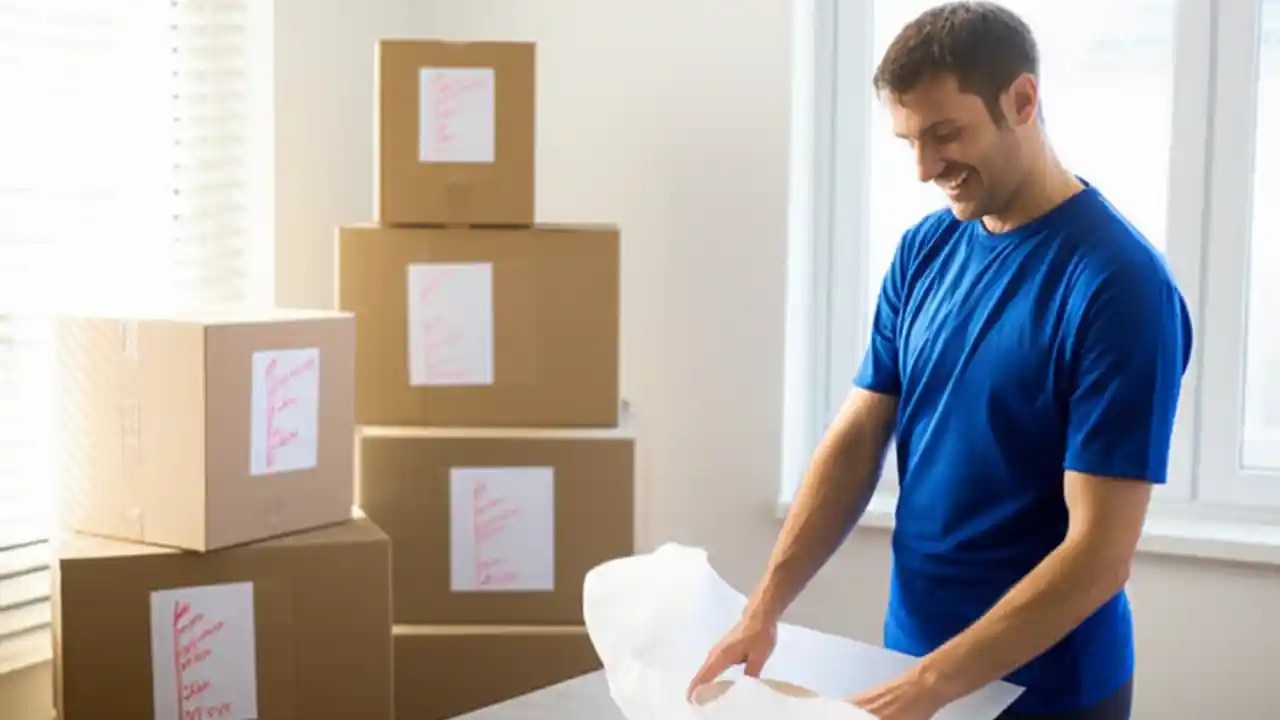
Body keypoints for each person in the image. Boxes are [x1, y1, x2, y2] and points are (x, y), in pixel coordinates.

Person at [685, 2, 1193, 719]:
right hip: (915, 663)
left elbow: (1099, 557)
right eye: (910, 141)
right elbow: (859, 438)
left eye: (946, 134)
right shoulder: (926, 250)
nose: (925, 168)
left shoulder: (1119, 286)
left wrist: (928, 685)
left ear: (1022, 100)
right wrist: (762, 607)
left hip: (1046, 693)